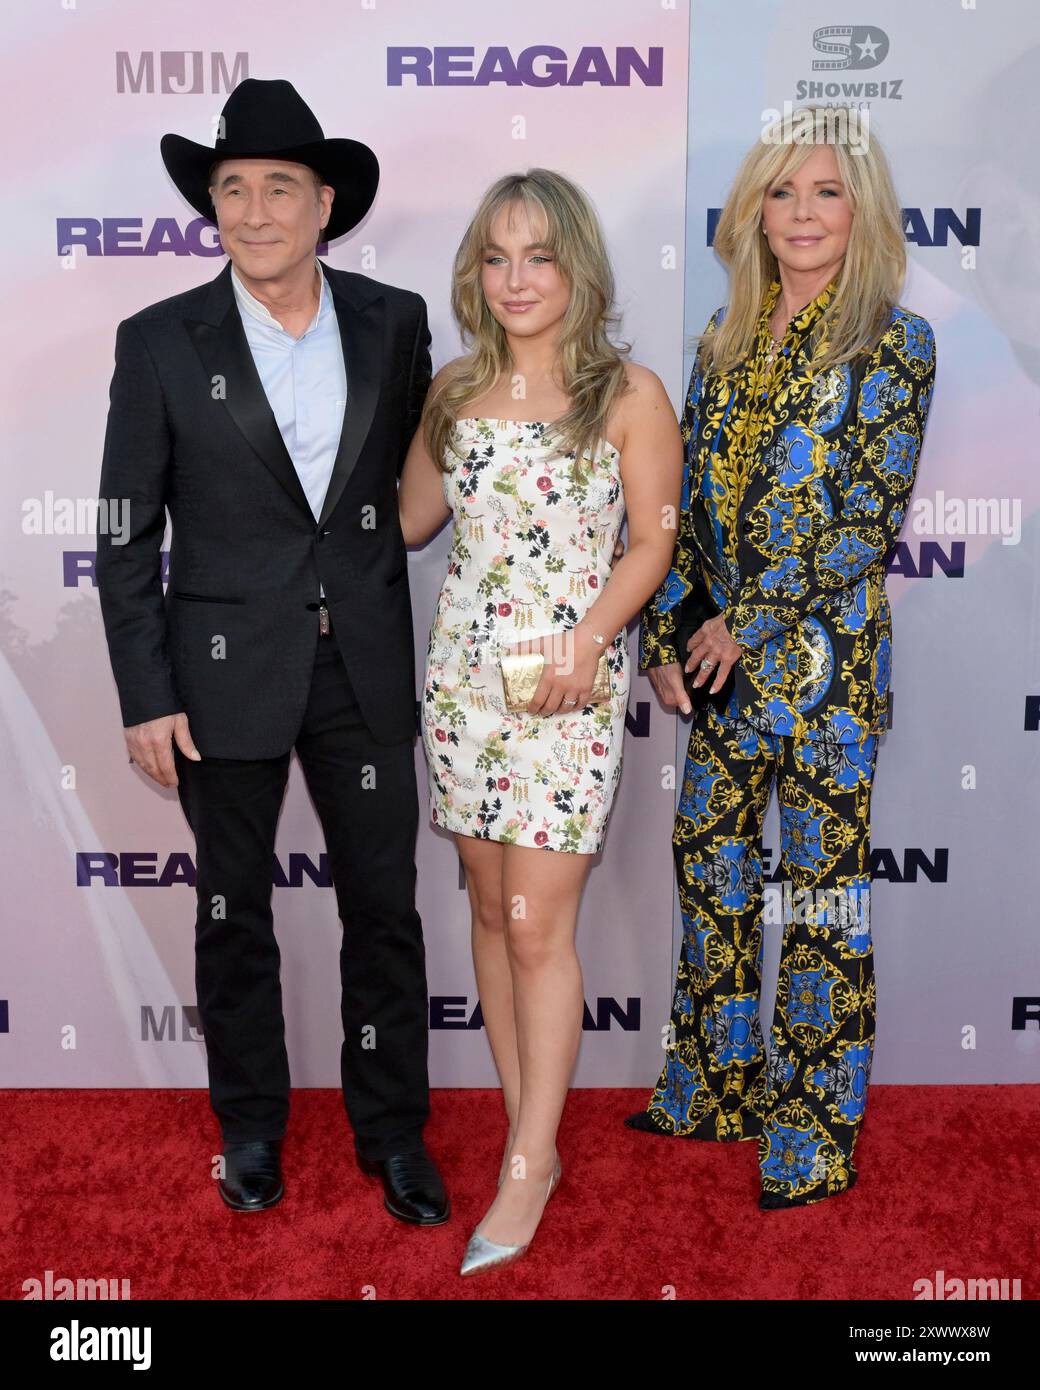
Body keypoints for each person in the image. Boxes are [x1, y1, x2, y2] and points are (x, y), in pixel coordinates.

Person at [95, 78, 449, 1224]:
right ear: (212, 202)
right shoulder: (156, 342)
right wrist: (145, 693)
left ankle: (392, 1132)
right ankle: (249, 1128)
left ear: (324, 202)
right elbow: (122, 534)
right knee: (231, 914)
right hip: (216, 673)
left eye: (278, 188)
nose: (253, 211)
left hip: (362, 668)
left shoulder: (394, 323)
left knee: (384, 913)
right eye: (232, 188)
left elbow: (416, 487)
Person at [626, 108, 937, 1209]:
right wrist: (668, 632)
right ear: (751, 213)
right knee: (707, 873)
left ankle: (810, 1133)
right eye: (779, 192)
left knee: (820, 903)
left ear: (862, 213)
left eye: (824, 193)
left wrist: (739, 624)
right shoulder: (720, 341)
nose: (799, 214)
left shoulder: (894, 344)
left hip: (827, 677)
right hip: (717, 677)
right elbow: (682, 513)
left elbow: (862, 521)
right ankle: (712, 1085)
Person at [398, 169, 682, 1272]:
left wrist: (590, 638)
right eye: (495, 257)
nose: (516, 279)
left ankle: (524, 1165)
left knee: (534, 927)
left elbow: (651, 540)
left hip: (566, 685)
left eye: (539, 257)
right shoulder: (452, 395)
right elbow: (407, 521)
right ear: (475, 273)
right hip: (465, 685)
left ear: (577, 269)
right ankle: (534, 1142)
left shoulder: (626, 393)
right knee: (483, 907)